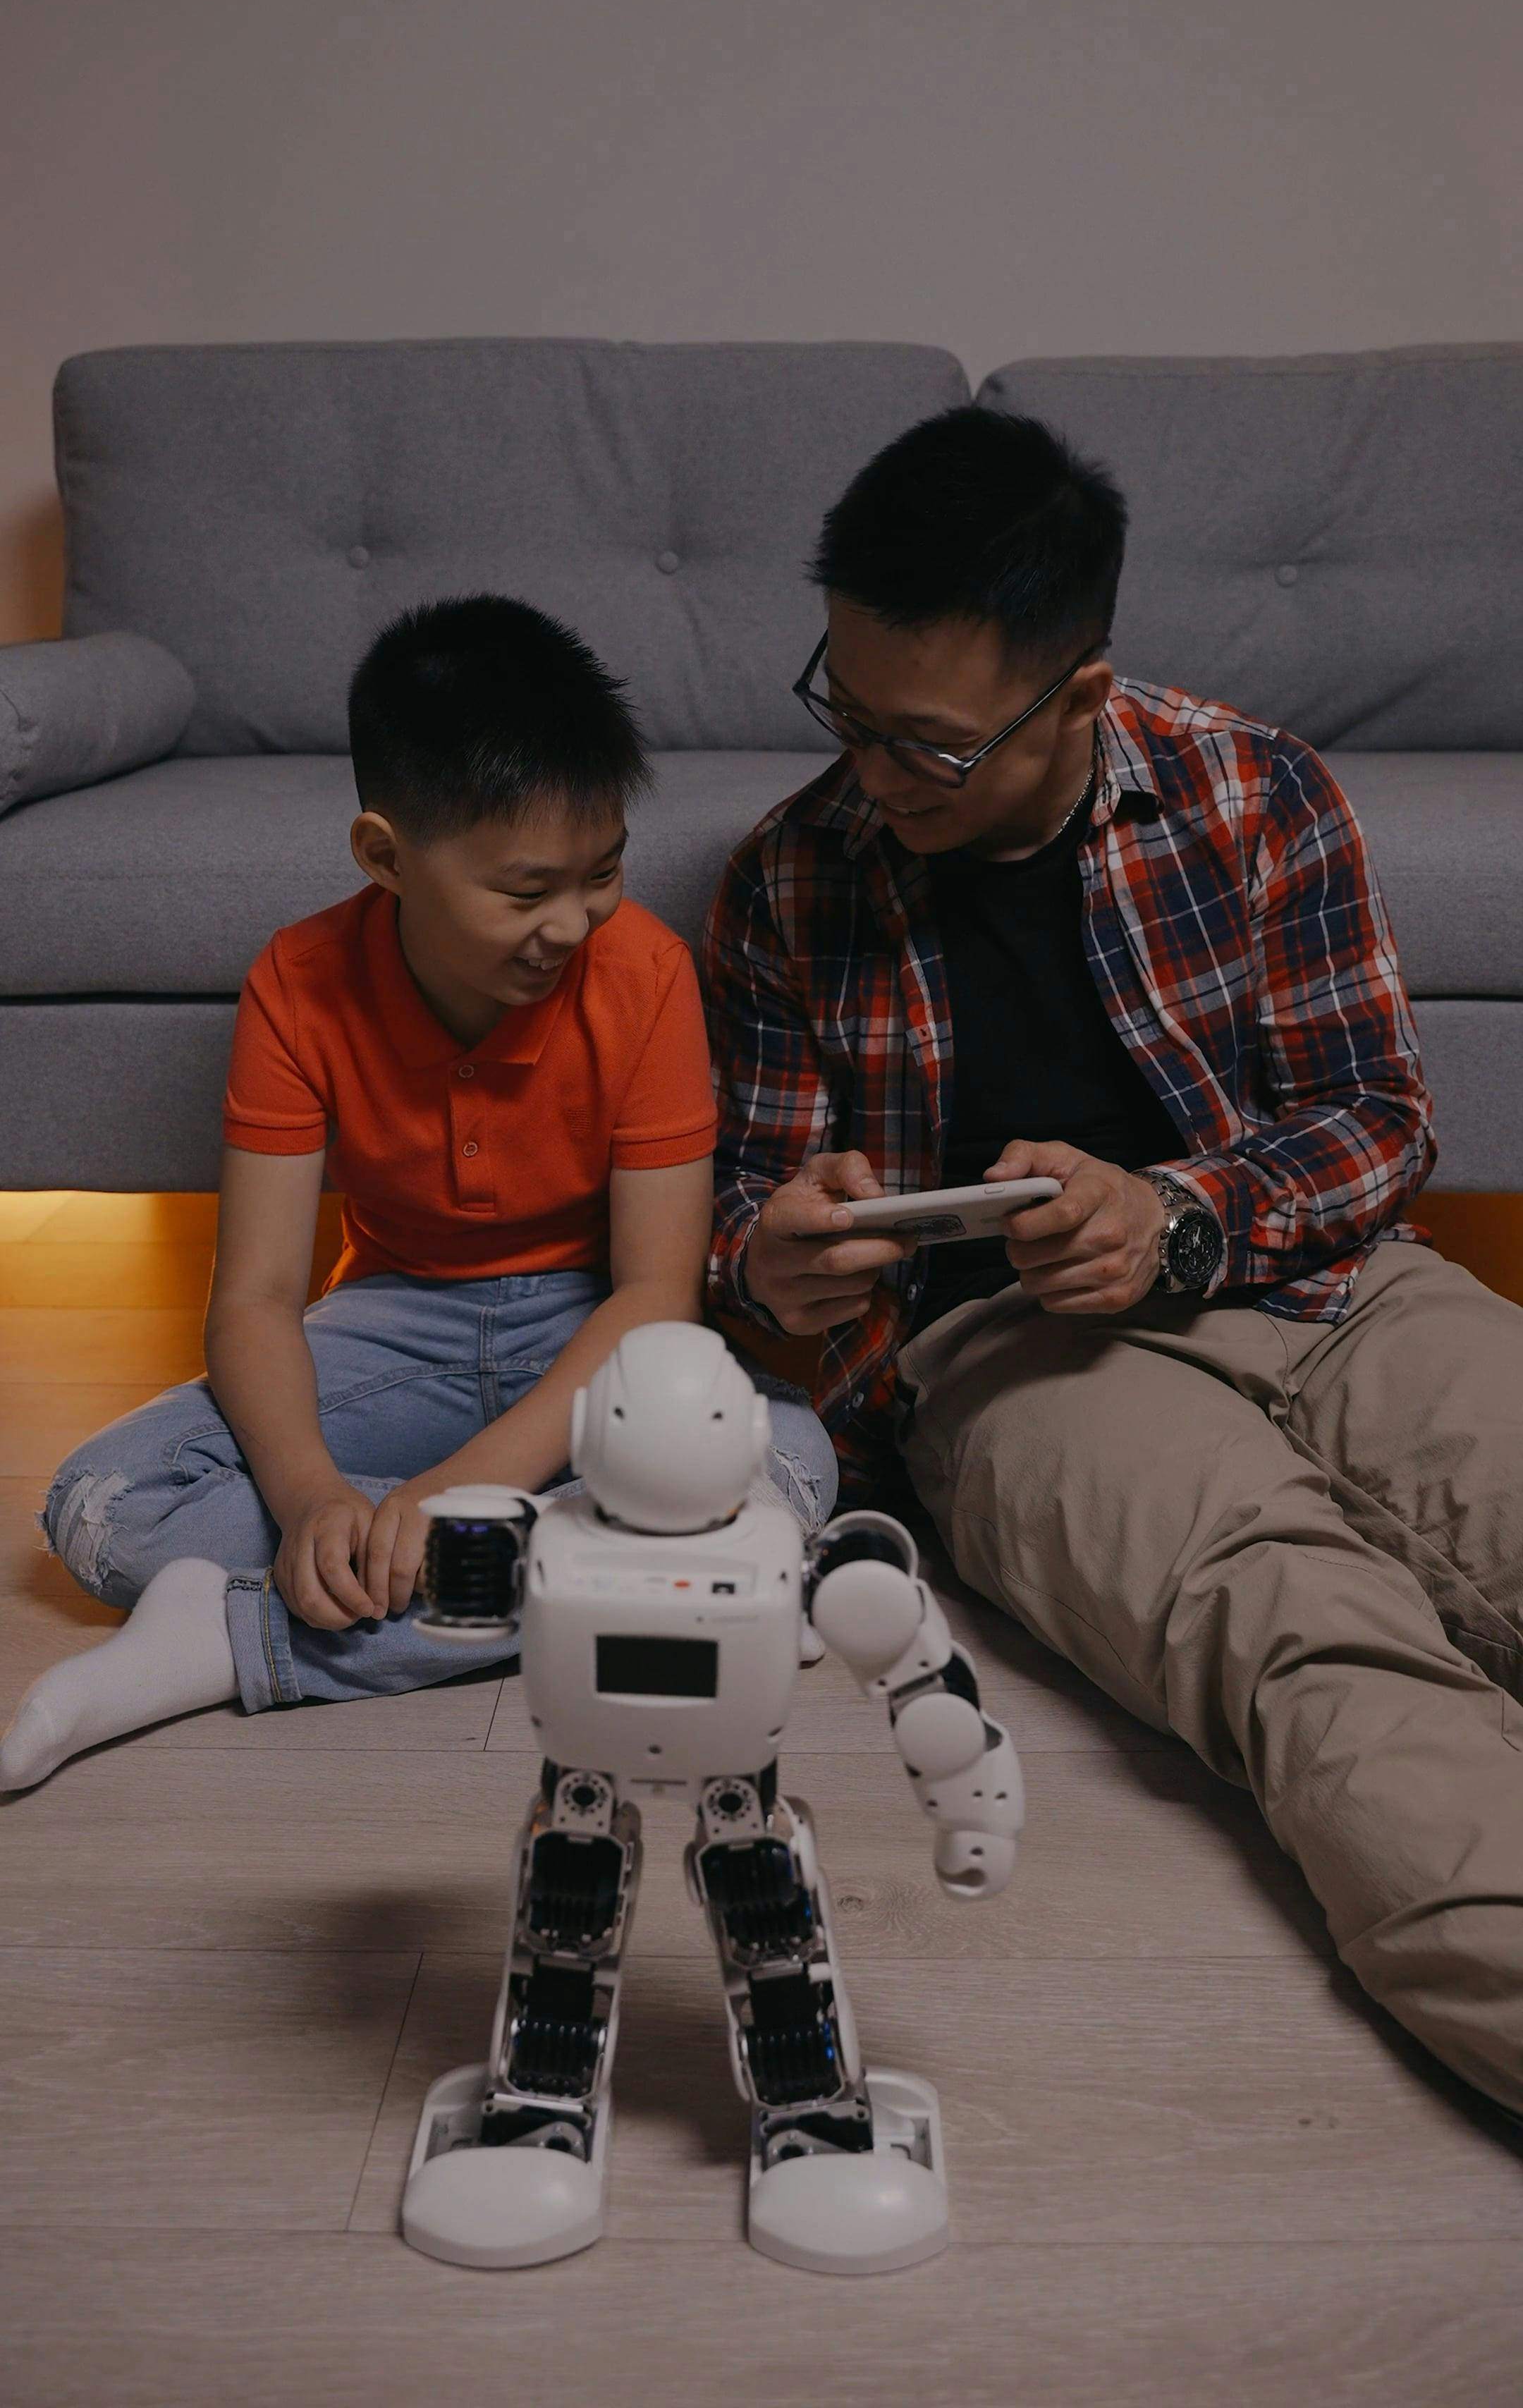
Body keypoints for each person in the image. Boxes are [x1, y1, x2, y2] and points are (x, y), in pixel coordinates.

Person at [702, 405, 1523, 2120]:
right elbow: (738, 1214)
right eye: (843, 713)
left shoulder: (1254, 787)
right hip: (1003, 1364)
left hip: (1328, 1285)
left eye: (920, 749)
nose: (866, 775)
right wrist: (769, 1261)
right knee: (1310, 1639)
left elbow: (1378, 1114)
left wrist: (1183, 1214)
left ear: (1076, 694)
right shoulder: (790, 878)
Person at [1, 597, 835, 1790]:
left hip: (590, 1331)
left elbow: (655, 1297)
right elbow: (257, 1299)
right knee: (97, 1499)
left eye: (601, 873)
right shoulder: (298, 983)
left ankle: (219, 1640)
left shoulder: (647, 973)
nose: (571, 923)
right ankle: (636, 1589)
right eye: (526, 891)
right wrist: (308, 1503)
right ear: (385, 857)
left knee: (792, 1460)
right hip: (396, 1328)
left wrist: (461, 1494)